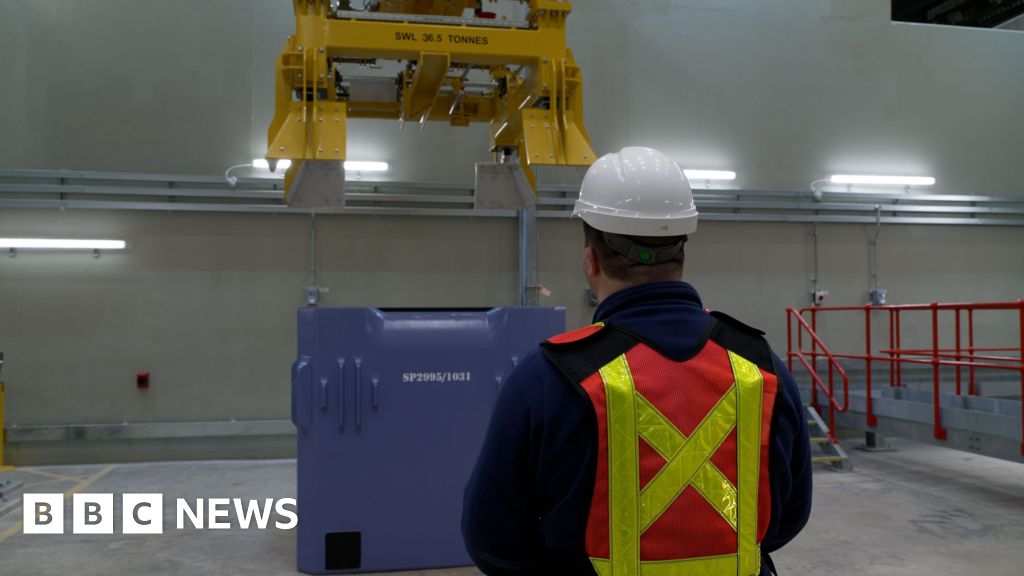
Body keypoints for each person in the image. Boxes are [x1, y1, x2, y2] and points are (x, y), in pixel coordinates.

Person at [462, 147, 812, 576]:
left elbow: (491, 538)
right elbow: (789, 514)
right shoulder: (763, 368)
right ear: (681, 254)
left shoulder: (547, 378)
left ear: (590, 262)